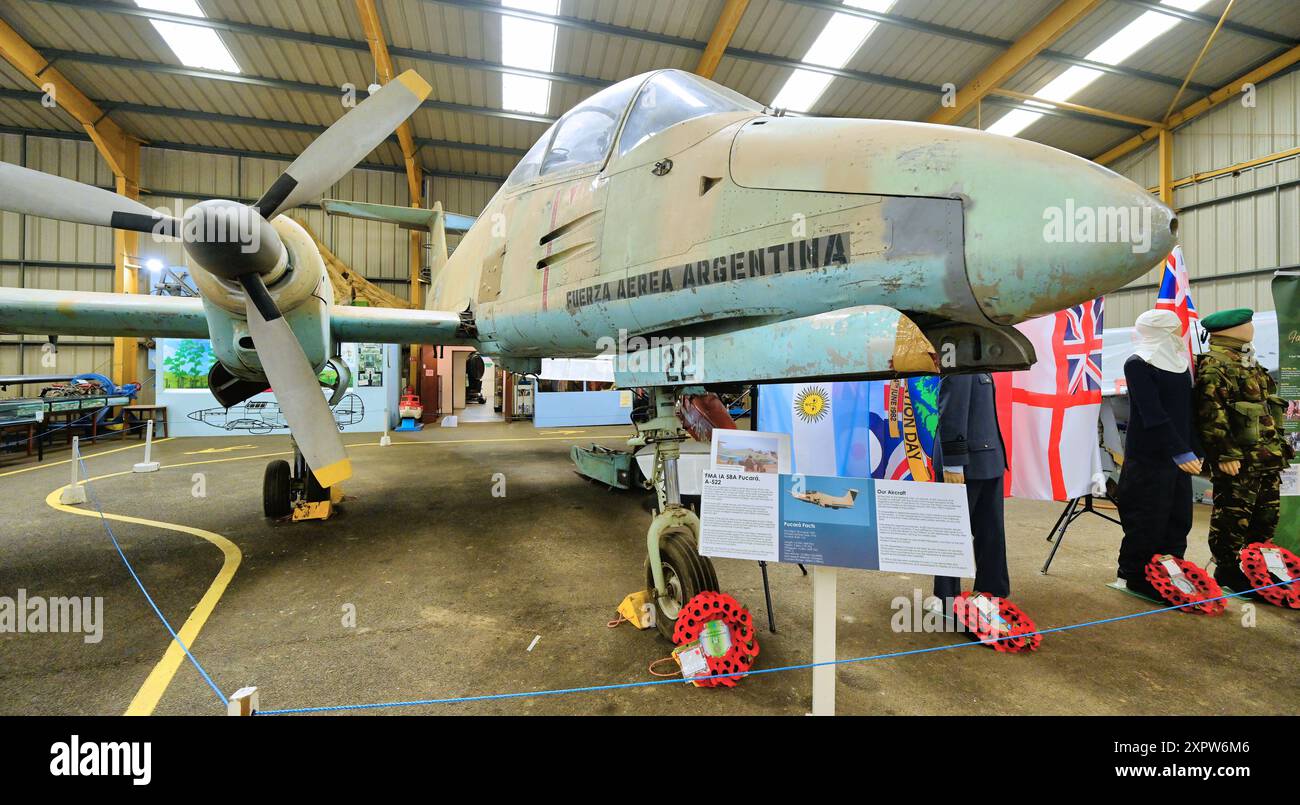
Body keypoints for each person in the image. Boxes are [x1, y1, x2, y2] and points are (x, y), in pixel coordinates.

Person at [1194, 308, 1294, 593]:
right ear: (1229, 330)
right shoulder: (1215, 365)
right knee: (1232, 516)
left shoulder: (1248, 361)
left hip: (1266, 456)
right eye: (1246, 324)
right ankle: (1226, 569)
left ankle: (1258, 566)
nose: (1251, 328)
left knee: (1265, 516)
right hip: (1240, 459)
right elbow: (1211, 413)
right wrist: (1225, 455)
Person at [1114, 310, 1202, 600]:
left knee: (1179, 516)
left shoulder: (1180, 363)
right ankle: (1135, 573)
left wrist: (1194, 449)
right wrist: (1180, 450)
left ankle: (1171, 567)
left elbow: (1187, 412)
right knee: (1146, 516)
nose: (1179, 336)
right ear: (1161, 333)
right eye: (1175, 330)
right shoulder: (1138, 364)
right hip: (1150, 456)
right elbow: (1152, 414)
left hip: (1180, 455)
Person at [934, 372, 1010, 608]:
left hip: (988, 460)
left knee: (991, 531)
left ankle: (992, 591)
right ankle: (947, 598)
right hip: (964, 465)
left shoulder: (979, 363)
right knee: (951, 534)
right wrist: (954, 462)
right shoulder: (961, 362)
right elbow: (952, 411)